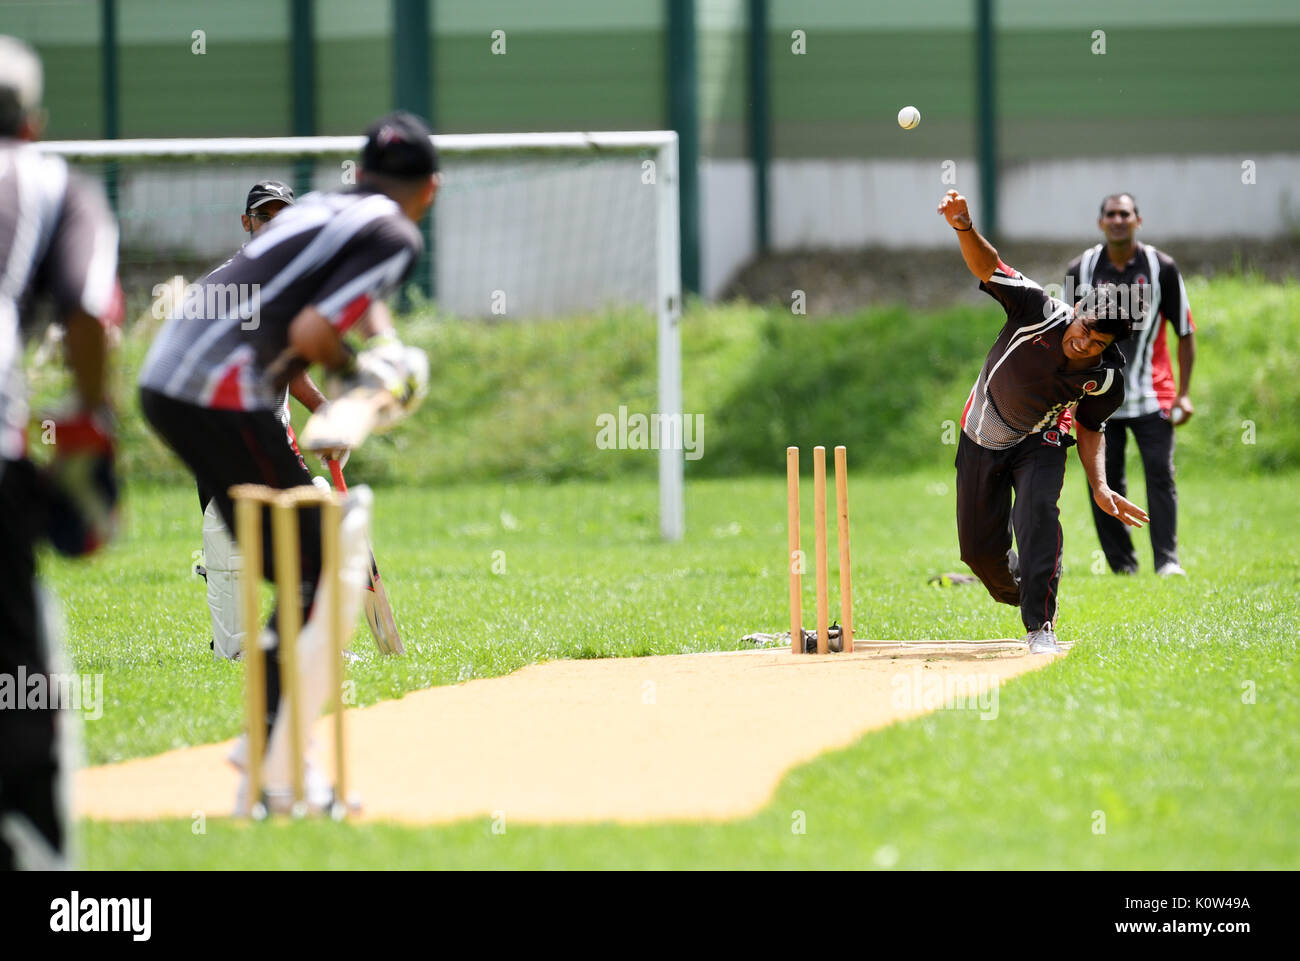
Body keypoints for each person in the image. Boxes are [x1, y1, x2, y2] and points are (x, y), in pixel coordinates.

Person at [139, 111, 438, 812]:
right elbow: (312, 330)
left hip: (168, 380)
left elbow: (351, 304)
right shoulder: (398, 232)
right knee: (326, 562)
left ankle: (271, 748)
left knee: (304, 564)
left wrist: (382, 345)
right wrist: (367, 376)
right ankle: (273, 748)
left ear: (360, 175)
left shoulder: (334, 210)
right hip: (222, 392)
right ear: (430, 188)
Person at [0, 36, 121, 869]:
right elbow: (86, 309)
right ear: (33, 121)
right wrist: (90, 424)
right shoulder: (47, 181)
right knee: (20, 690)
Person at [937, 190, 1149, 654]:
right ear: (1077, 310)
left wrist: (1100, 487)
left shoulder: (1106, 377)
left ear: (1109, 346)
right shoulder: (1037, 309)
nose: (1082, 342)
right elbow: (988, 267)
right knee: (977, 553)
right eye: (1083, 328)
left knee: (1036, 516)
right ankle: (1021, 585)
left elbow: (1092, 427)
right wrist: (963, 227)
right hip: (981, 433)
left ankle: (1040, 626)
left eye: (1095, 342)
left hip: (1041, 440)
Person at [196, 180, 331, 661]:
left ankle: (312, 644)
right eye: (264, 215)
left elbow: (291, 368)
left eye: (282, 215)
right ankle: (232, 651)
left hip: (272, 434)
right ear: (247, 223)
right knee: (226, 539)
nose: (274, 224)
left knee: (315, 522)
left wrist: (326, 412)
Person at [1066, 193, 1195, 577]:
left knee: (1160, 473)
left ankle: (1167, 561)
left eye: (1125, 214)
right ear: (1101, 223)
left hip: (1153, 395)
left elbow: (1185, 331)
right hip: (1101, 396)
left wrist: (1184, 395)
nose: (1118, 220)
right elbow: (1068, 333)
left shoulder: (1161, 267)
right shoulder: (1082, 267)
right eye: (1111, 214)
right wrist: (1071, 393)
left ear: (1138, 220)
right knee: (1104, 480)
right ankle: (1122, 567)